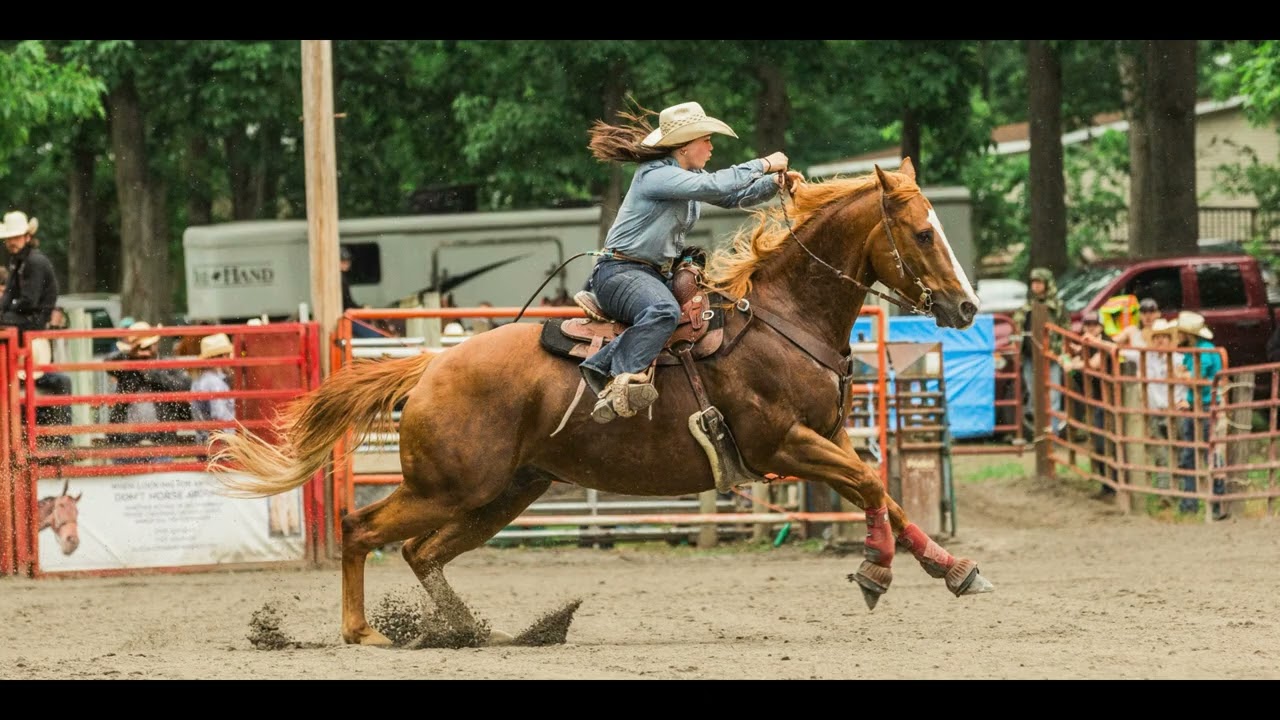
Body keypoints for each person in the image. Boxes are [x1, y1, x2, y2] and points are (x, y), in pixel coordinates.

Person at [578, 100, 804, 423]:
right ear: (685, 147)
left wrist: (774, 184)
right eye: (706, 140)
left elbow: (728, 196)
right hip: (619, 272)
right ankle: (606, 371)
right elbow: (716, 186)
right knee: (663, 311)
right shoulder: (655, 176)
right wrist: (765, 164)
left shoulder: (682, 175)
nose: (711, 147)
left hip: (649, 276)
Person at [1169, 311, 1227, 519]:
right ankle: (1203, 502)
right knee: (1198, 454)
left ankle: (1208, 502)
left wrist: (1182, 375)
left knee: (1205, 454)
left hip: (1203, 407)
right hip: (1199, 406)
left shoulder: (1201, 352)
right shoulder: (1198, 350)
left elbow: (1195, 380)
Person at [105, 321, 193, 458]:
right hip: (126, 443)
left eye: (147, 346)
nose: (144, 351)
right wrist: (131, 355)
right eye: (140, 346)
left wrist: (152, 373)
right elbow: (108, 364)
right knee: (126, 478)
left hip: (161, 441)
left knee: (161, 477)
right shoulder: (126, 366)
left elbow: (184, 385)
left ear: (155, 345)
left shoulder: (166, 365)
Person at [1011, 266, 1070, 437]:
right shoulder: (1026, 307)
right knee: (1034, 396)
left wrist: (1061, 351)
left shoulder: (1058, 306)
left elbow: (1066, 331)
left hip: (1051, 356)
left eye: (1039, 282)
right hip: (1030, 358)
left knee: (1053, 397)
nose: (1035, 286)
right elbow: (1017, 327)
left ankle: (1052, 436)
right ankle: (1040, 436)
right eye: (1033, 282)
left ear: (1047, 283)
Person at [0, 210, 59, 340]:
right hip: (25, 316)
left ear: (27, 237)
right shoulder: (17, 261)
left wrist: (8, 310)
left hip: (36, 319)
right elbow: (9, 293)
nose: (12, 242)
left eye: (16, 237)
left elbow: (29, 301)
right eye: (9, 239)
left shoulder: (34, 261)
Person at [188, 332, 236, 449]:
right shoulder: (215, 383)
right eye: (228, 355)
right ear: (221, 357)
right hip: (221, 446)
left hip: (205, 443)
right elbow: (219, 417)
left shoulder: (199, 381)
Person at [341, 245, 381, 339]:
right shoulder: (341, 279)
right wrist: (362, 308)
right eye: (343, 260)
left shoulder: (342, 278)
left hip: (345, 316)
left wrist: (360, 308)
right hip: (346, 318)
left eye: (347, 260)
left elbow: (347, 303)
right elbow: (347, 304)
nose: (347, 263)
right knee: (374, 336)